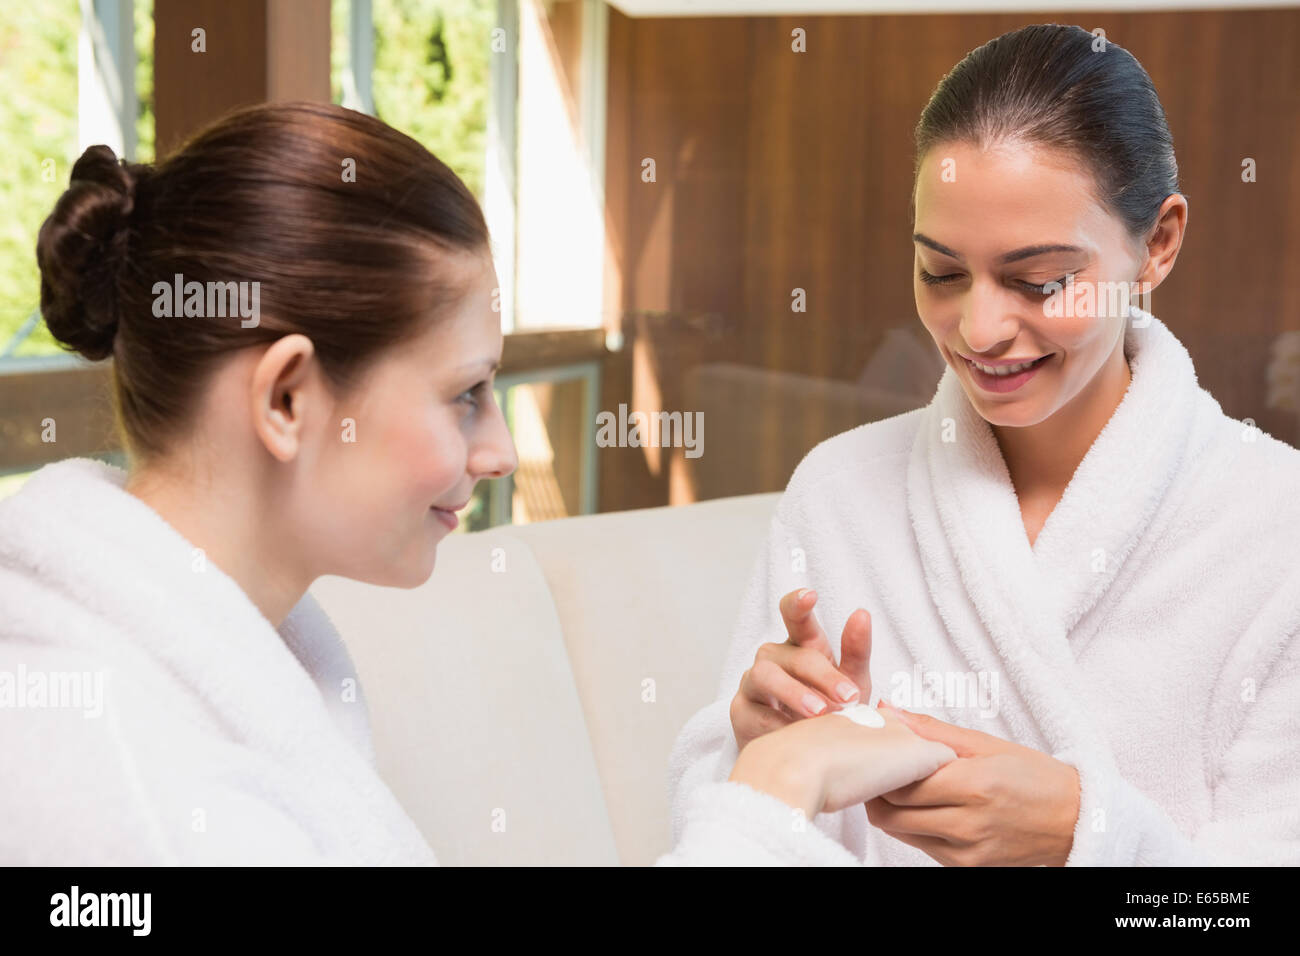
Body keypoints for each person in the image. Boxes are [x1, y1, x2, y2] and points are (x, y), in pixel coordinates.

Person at [0, 101, 953, 865]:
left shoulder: (240, 670)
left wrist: (761, 779)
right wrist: (774, 800)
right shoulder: (124, 785)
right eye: (465, 394)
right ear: (288, 397)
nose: (499, 451)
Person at [669, 23, 1300, 866]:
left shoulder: (1276, 526)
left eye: (1039, 280)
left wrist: (1089, 838)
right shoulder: (839, 491)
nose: (979, 328)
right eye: (942, 273)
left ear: (1159, 242)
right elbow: (716, 825)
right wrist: (764, 752)